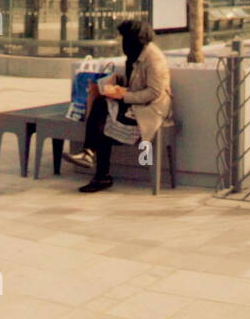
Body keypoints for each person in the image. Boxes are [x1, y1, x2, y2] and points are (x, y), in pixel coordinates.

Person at [67, 18, 172, 193]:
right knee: (101, 112)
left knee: (102, 115)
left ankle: (96, 165)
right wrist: (116, 86)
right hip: (135, 104)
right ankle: (95, 165)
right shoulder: (135, 54)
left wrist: (123, 96)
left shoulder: (154, 59)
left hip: (150, 110)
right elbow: (134, 83)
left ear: (134, 38)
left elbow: (154, 93)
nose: (121, 42)